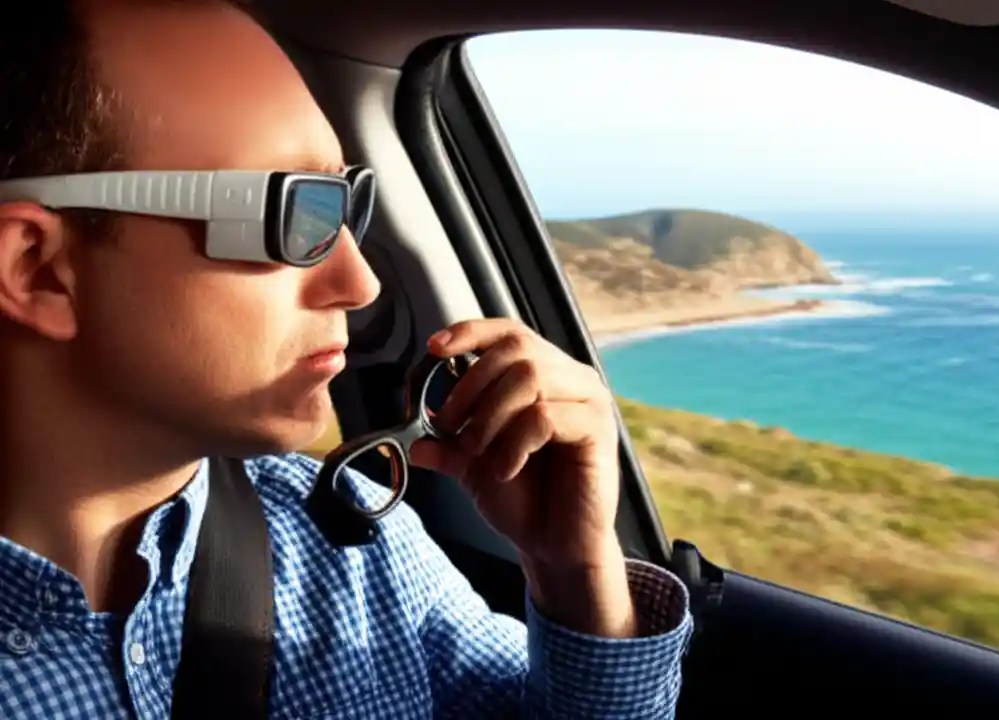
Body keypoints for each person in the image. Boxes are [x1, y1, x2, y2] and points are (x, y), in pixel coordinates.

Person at [0, 1, 692, 718]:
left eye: (344, 207)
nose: (358, 283)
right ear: (39, 269)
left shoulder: (355, 541)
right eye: (290, 212)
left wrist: (571, 572)